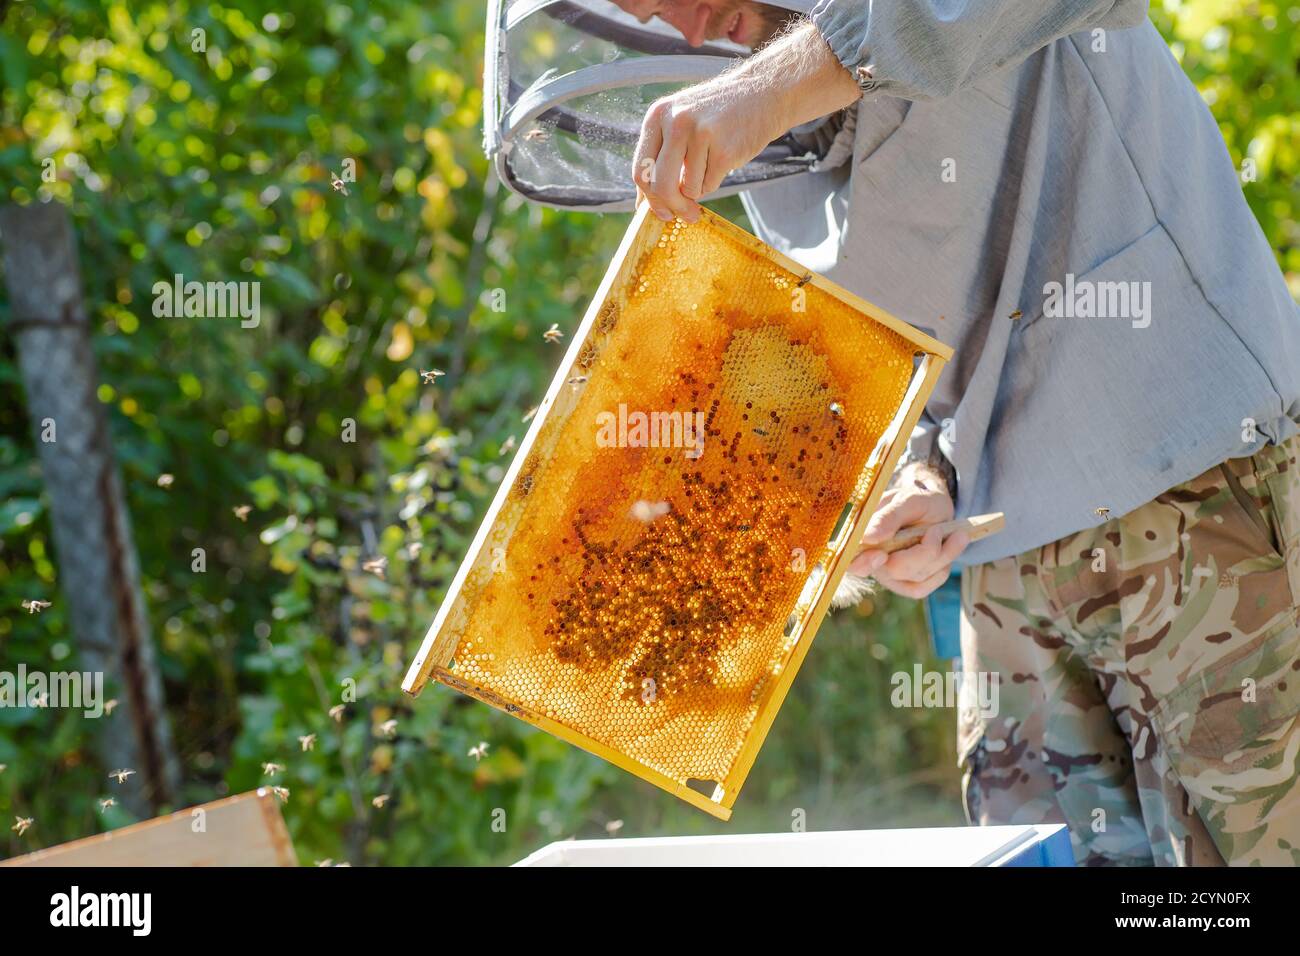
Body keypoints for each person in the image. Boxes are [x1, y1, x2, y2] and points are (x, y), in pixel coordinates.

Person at [623, 0, 1300, 865]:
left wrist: (765, 92)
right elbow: (875, 342)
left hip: (1184, 486)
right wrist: (916, 475)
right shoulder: (752, 105)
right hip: (1001, 568)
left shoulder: (755, 90)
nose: (683, 33)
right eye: (642, 15)